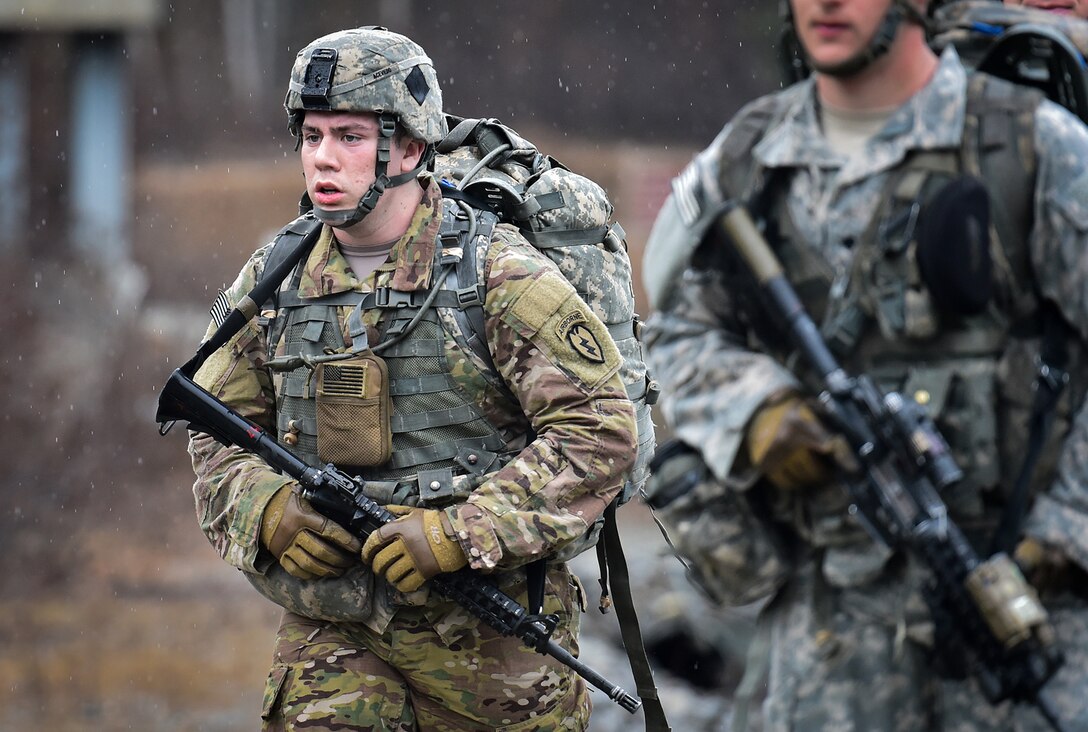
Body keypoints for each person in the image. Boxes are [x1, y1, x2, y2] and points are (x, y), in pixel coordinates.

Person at [641, 0, 1088, 729]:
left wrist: (1065, 531)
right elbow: (678, 332)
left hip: (1019, 620)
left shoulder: (1034, 148)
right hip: (829, 643)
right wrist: (760, 411)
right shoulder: (750, 154)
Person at [185, 26, 636, 731]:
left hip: (492, 643)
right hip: (334, 633)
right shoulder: (274, 278)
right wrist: (266, 511)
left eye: (351, 137)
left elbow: (599, 433)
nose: (323, 158)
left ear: (412, 149)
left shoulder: (498, 276)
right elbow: (214, 428)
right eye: (311, 136)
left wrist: (459, 532)